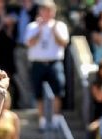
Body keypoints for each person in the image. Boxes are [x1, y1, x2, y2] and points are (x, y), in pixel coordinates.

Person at [24, 0, 69, 130]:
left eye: (50, 10)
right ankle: (42, 119)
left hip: (54, 62)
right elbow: (30, 43)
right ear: (40, 12)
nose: (47, 13)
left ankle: (55, 118)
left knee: (58, 90)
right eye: (44, 10)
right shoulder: (32, 26)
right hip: (37, 63)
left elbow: (63, 43)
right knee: (38, 93)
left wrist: (53, 30)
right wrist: (39, 29)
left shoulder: (60, 26)